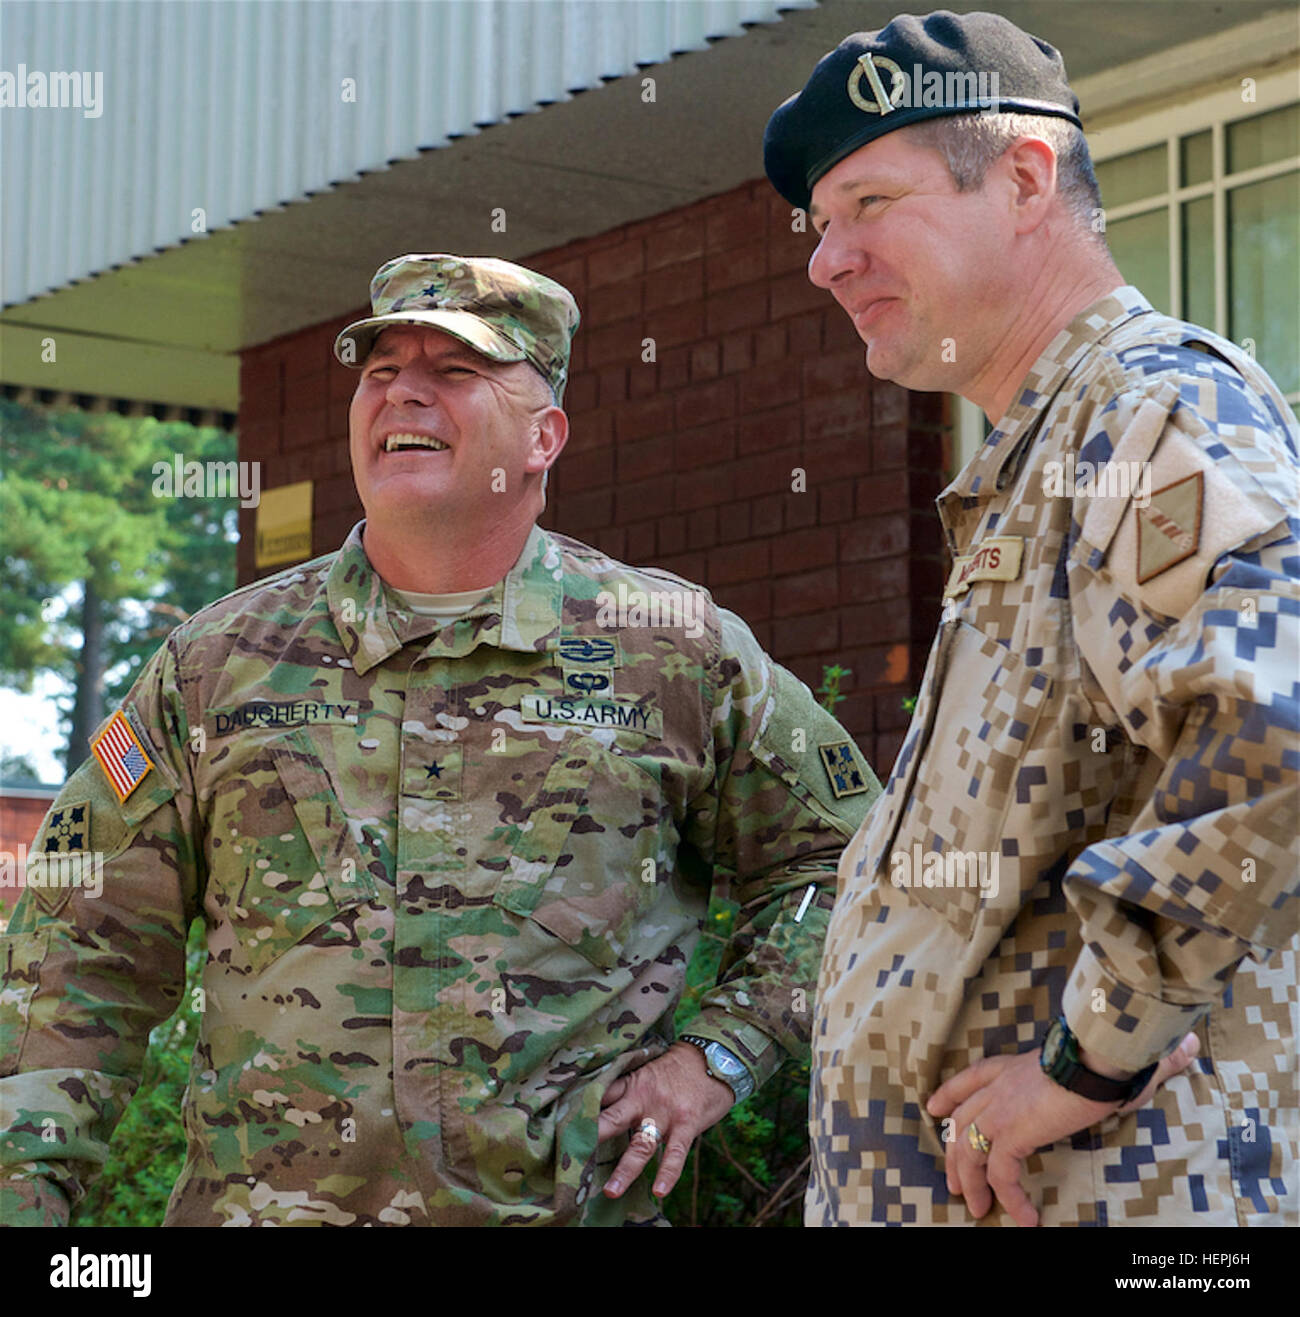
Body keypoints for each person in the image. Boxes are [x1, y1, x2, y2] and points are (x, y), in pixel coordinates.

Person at [0, 253, 882, 1227]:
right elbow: (78, 947)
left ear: (543, 435)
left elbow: (849, 861)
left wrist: (723, 1053)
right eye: (380, 372)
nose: (403, 392)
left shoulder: (674, 653)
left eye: (456, 371)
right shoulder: (218, 664)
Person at [763, 10, 1298, 1226]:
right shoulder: (1036, 457)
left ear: (1022, 179)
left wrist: (1089, 1058)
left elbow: (1274, 724)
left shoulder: (1148, 411)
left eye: (866, 205)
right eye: (820, 223)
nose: (823, 259)